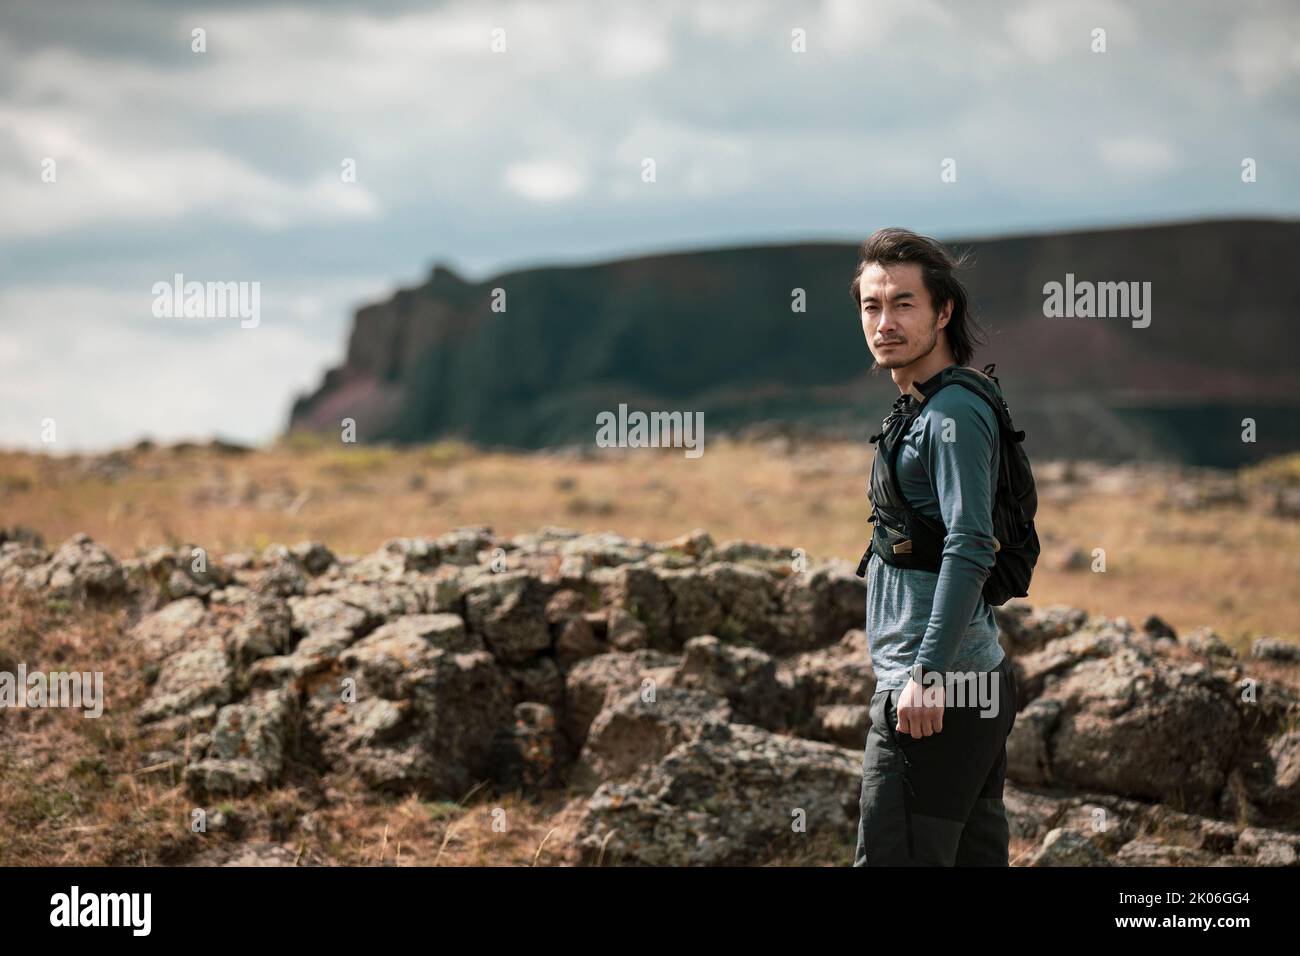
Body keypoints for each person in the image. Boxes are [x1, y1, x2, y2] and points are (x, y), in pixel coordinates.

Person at [849, 227, 1020, 866]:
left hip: (933, 697)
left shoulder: (950, 416)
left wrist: (925, 674)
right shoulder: (920, 407)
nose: (884, 321)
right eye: (872, 305)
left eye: (903, 303)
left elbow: (971, 543)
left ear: (943, 312)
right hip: (967, 687)